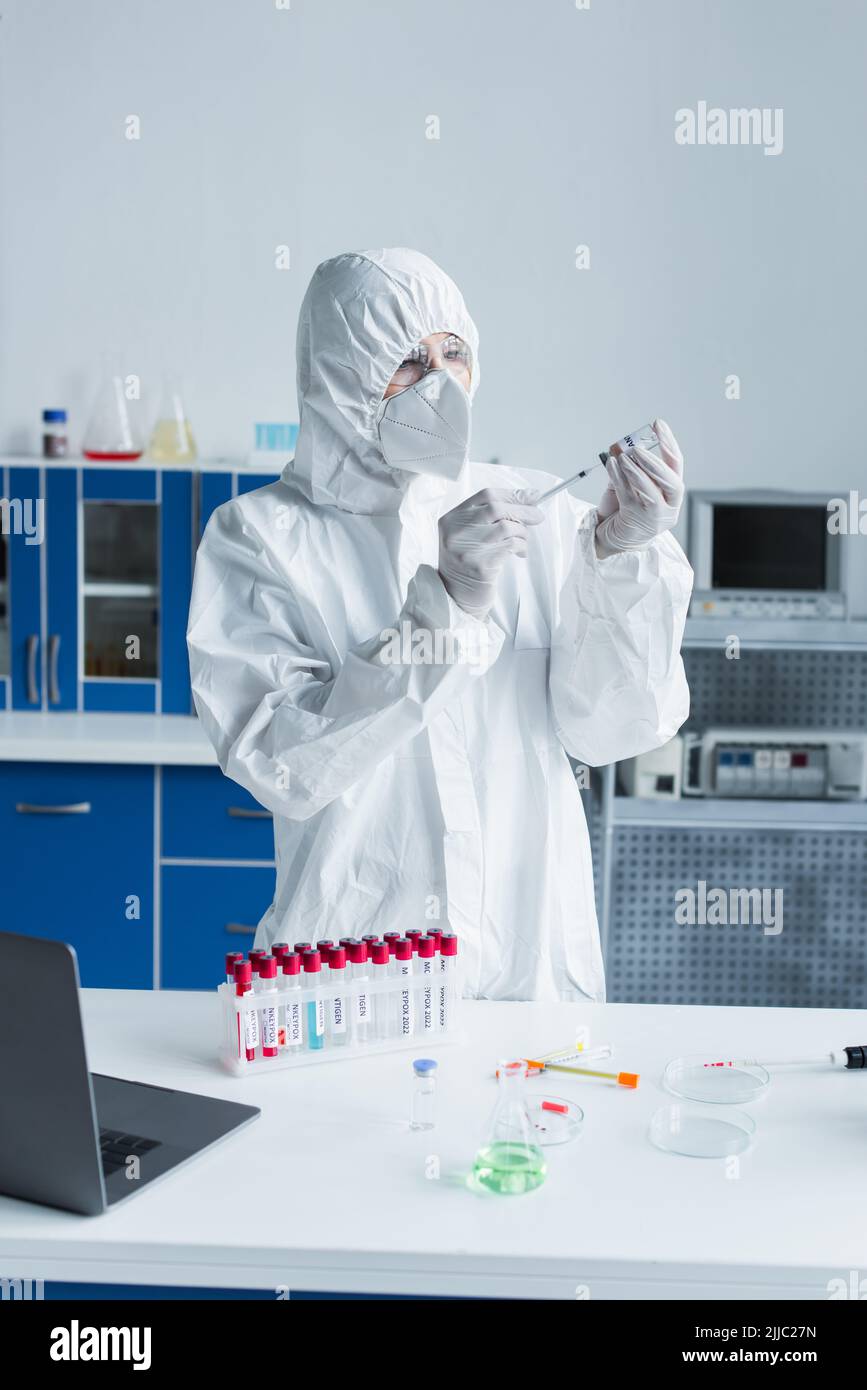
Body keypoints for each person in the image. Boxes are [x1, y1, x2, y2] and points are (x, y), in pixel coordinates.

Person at [187, 248, 692, 1002]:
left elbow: (615, 729)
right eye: (404, 361)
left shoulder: (535, 511)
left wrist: (620, 559)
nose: (438, 383)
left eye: (451, 353)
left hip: (528, 969)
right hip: (354, 972)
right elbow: (278, 763)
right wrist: (445, 609)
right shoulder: (261, 536)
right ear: (335, 374)